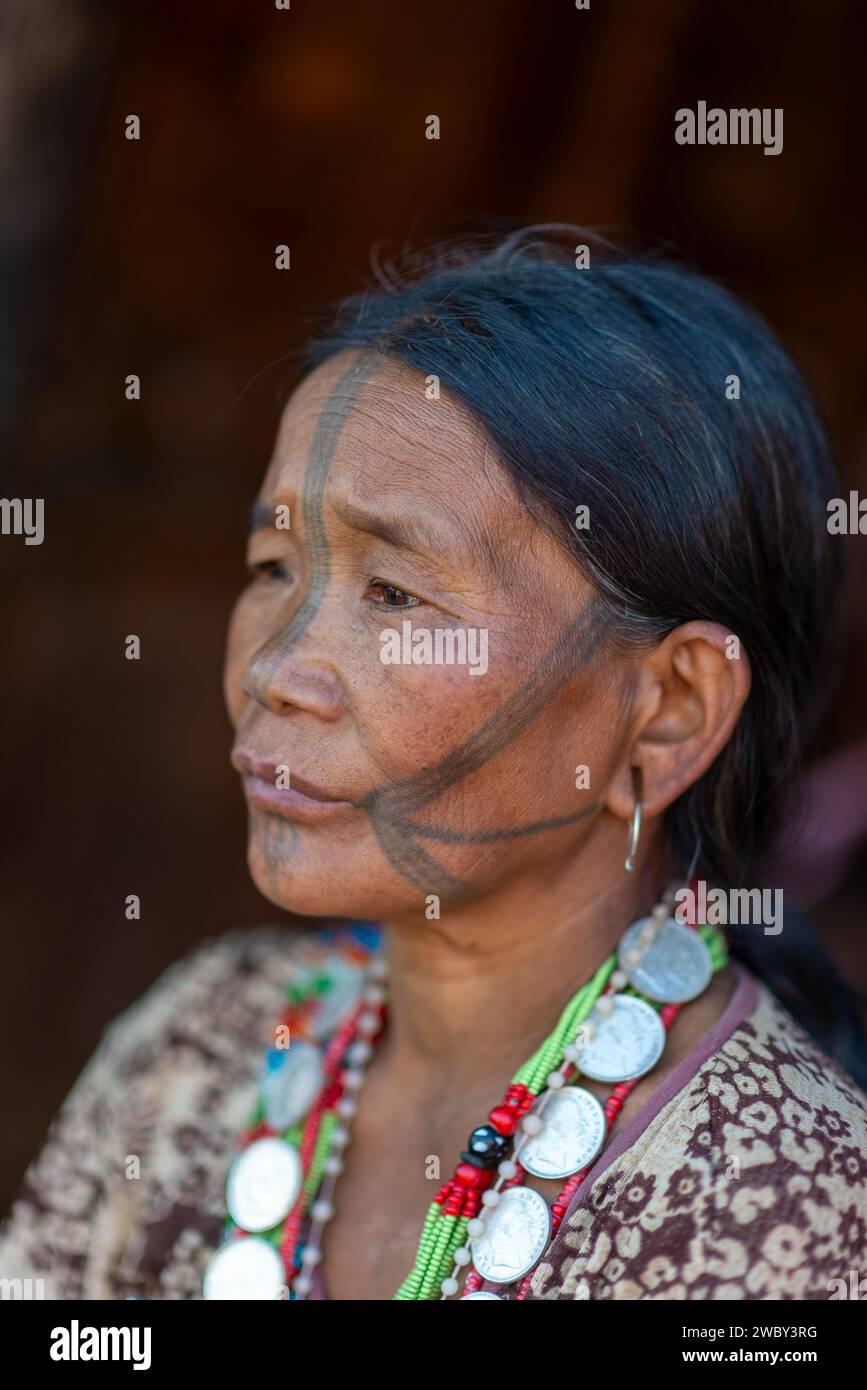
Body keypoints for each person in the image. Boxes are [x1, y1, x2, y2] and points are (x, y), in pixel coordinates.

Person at [2, 227, 865, 1302]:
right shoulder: (201, 1047)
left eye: (396, 596)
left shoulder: (788, 1213)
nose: (275, 669)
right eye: (273, 565)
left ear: (667, 713)